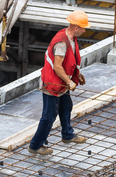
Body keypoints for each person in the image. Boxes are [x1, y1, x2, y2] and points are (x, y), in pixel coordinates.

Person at [28, 10, 91, 155]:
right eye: (83, 27)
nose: (84, 30)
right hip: (53, 84)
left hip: (61, 83)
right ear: (76, 28)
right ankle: (35, 145)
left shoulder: (71, 37)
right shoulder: (62, 42)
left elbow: (69, 61)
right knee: (49, 116)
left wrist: (77, 74)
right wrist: (69, 82)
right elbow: (57, 66)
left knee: (66, 106)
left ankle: (67, 135)